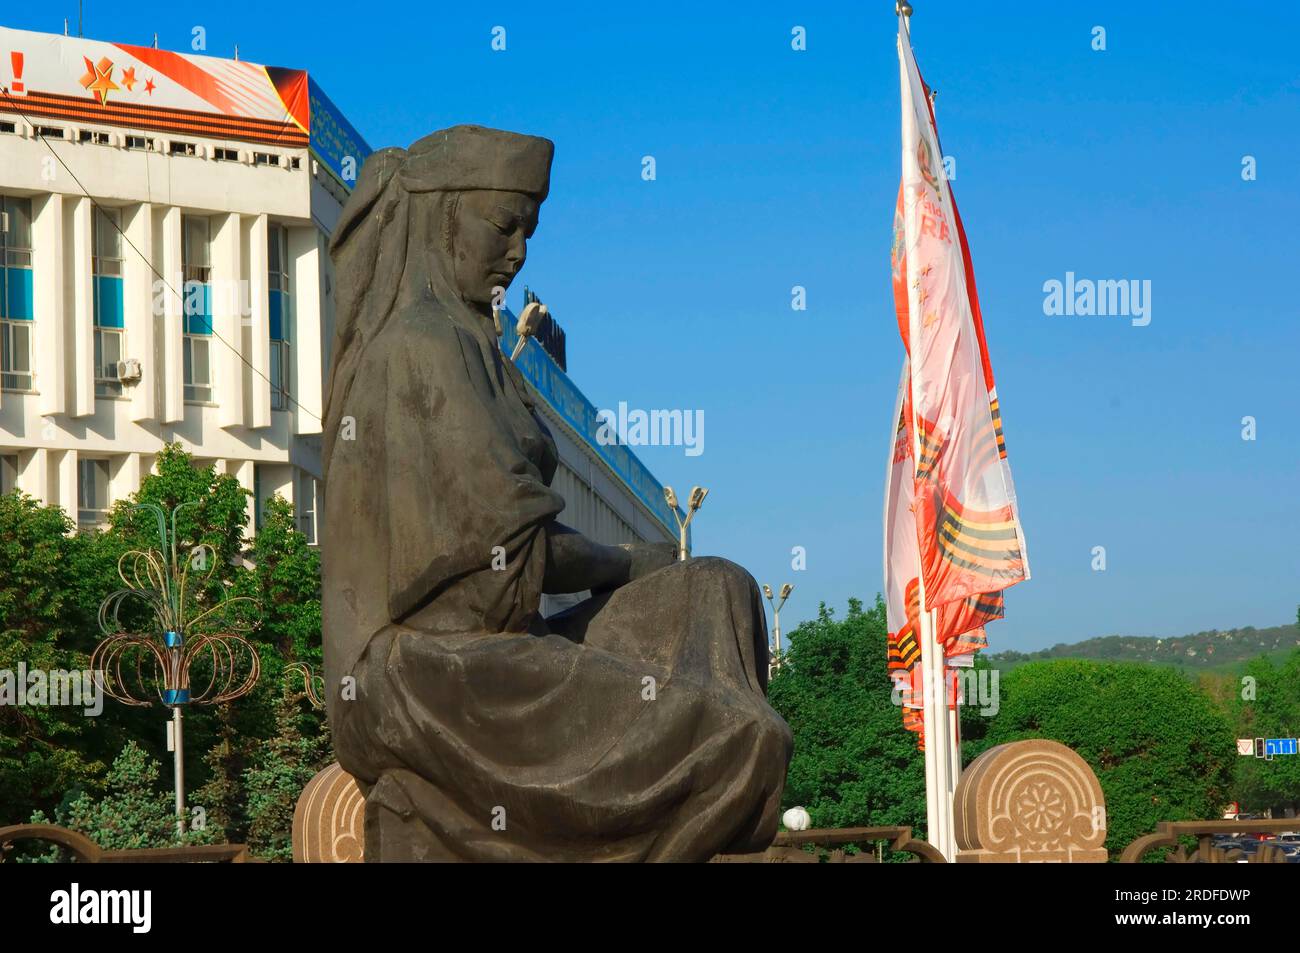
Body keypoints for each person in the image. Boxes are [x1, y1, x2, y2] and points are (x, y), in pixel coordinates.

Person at [321, 125, 792, 861]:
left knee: (717, 587)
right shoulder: (421, 343)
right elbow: (510, 552)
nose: (518, 251)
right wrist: (632, 562)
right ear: (441, 215)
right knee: (731, 731)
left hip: (495, 645)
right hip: (418, 672)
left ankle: (709, 773)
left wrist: (650, 566)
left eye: (528, 231)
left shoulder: (473, 345)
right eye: (503, 225)